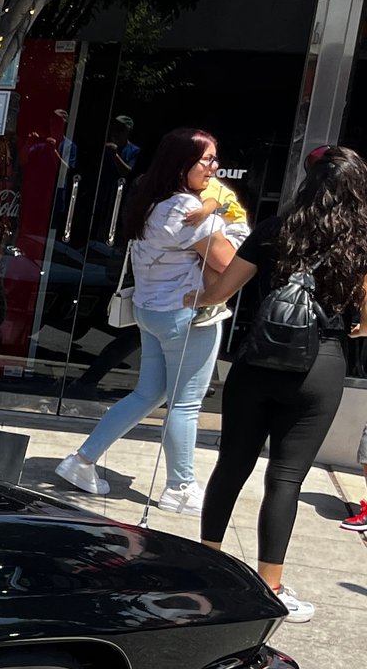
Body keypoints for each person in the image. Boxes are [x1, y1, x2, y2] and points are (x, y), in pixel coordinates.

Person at [196, 144, 367, 621]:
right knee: (286, 477)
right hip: (322, 364)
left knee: (231, 464)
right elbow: (366, 322)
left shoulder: (275, 230)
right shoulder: (362, 240)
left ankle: (208, 565)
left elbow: (220, 291)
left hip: (258, 360)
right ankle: (271, 584)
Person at [56, 127, 246, 513]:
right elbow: (228, 265)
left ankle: (82, 461)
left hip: (151, 310)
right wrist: (235, 229)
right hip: (187, 315)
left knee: (149, 394)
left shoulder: (153, 201)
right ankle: (180, 488)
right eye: (207, 159)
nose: (214, 167)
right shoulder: (188, 210)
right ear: (183, 164)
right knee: (185, 404)